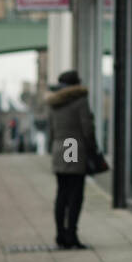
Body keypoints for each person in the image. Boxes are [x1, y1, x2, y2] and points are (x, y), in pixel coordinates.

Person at [46, 71, 98, 249]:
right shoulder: (79, 101)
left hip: (60, 147)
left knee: (62, 193)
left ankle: (61, 234)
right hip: (72, 146)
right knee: (75, 194)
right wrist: (92, 148)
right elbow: (87, 129)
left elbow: (51, 130)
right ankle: (71, 235)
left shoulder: (54, 103)